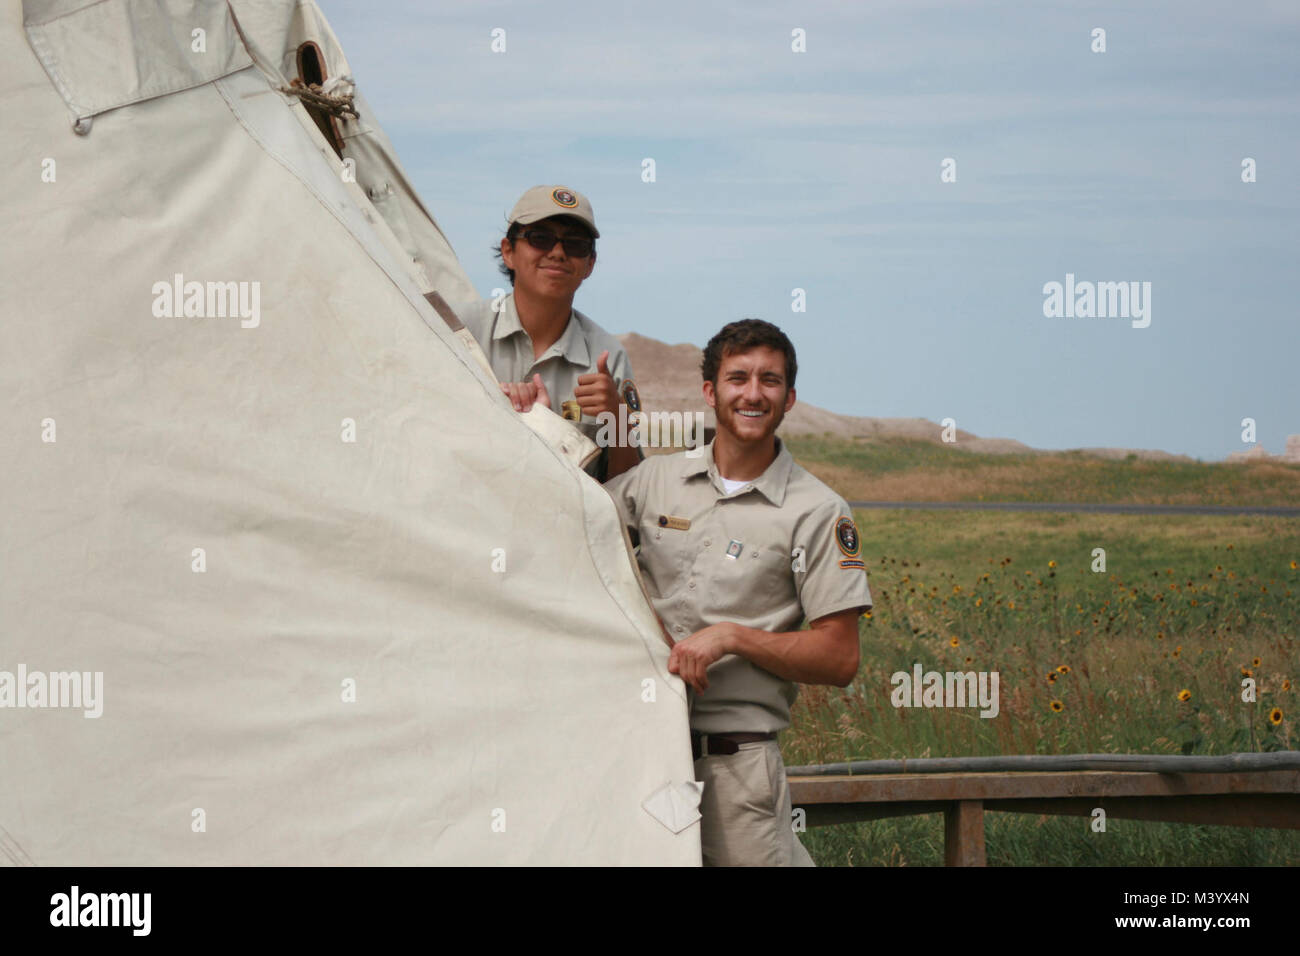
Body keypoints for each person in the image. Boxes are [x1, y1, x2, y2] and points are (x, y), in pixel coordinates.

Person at [603, 319, 872, 866]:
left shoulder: (817, 511)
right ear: (710, 391)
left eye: (770, 381)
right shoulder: (654, 482)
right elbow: (575, 532)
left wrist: (730, 637)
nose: (753, 394)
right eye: (738, 378)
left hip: (735, 769)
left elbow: (840, 657)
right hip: (640, 757)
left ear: (790, 398)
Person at [456, 185, 639, 481]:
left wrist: (617, 420)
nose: (557, 253)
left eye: (575, 244)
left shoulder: (608, 356)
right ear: (508, 252)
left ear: (589, 264)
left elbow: (629, 486)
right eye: (540, 239)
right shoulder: (460, 331)